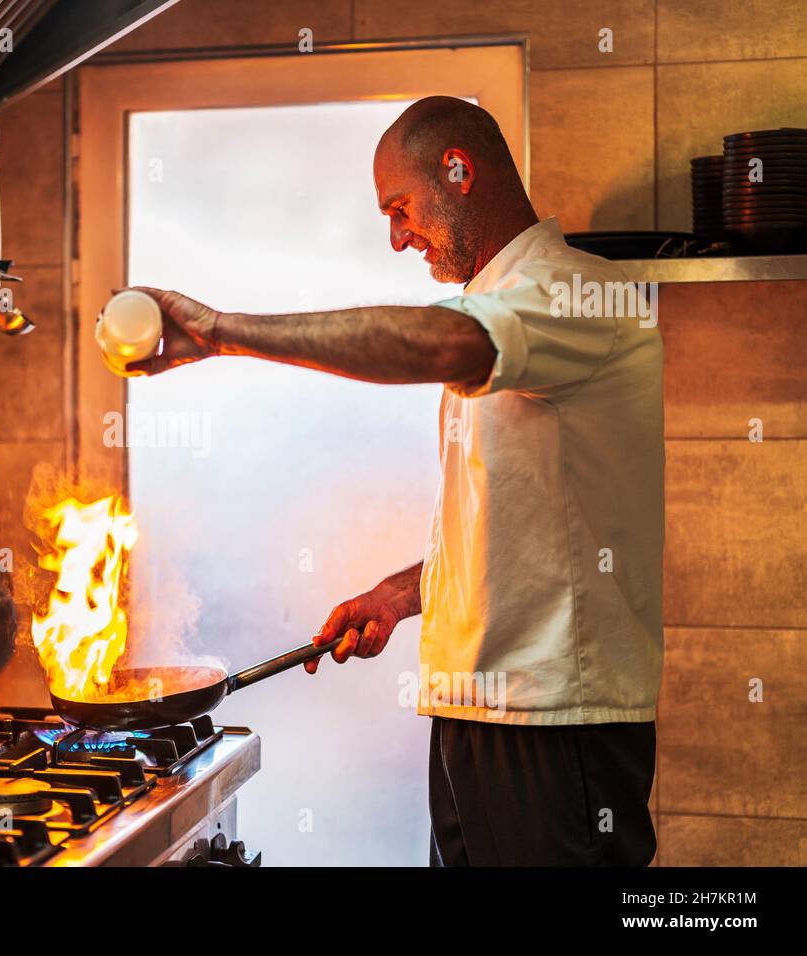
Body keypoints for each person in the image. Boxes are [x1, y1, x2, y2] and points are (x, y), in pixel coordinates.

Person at [122, 96, 663, 866]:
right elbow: (524, 521)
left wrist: (222, 332)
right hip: (477, 719)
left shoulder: (573, 294)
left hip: (551, 726)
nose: (396, 236)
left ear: (459, 170)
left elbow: (439, 343)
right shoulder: (503, 303)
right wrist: (405, 593)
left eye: (401, 208)